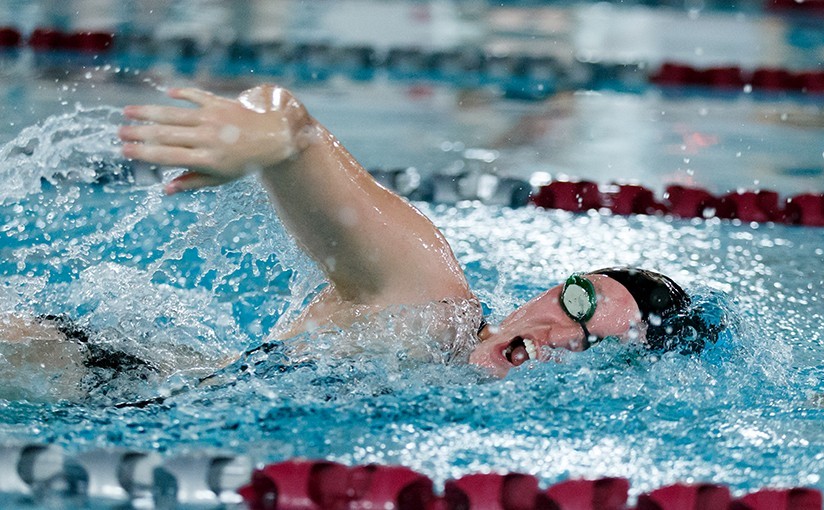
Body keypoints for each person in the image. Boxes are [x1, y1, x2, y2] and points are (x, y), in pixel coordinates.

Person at [115, 85, 723, 379]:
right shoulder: (431, 306)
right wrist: (267, 136)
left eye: (596, 347)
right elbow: (295, 127)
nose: (560, 333)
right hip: (99, 375)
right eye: (578, 300)